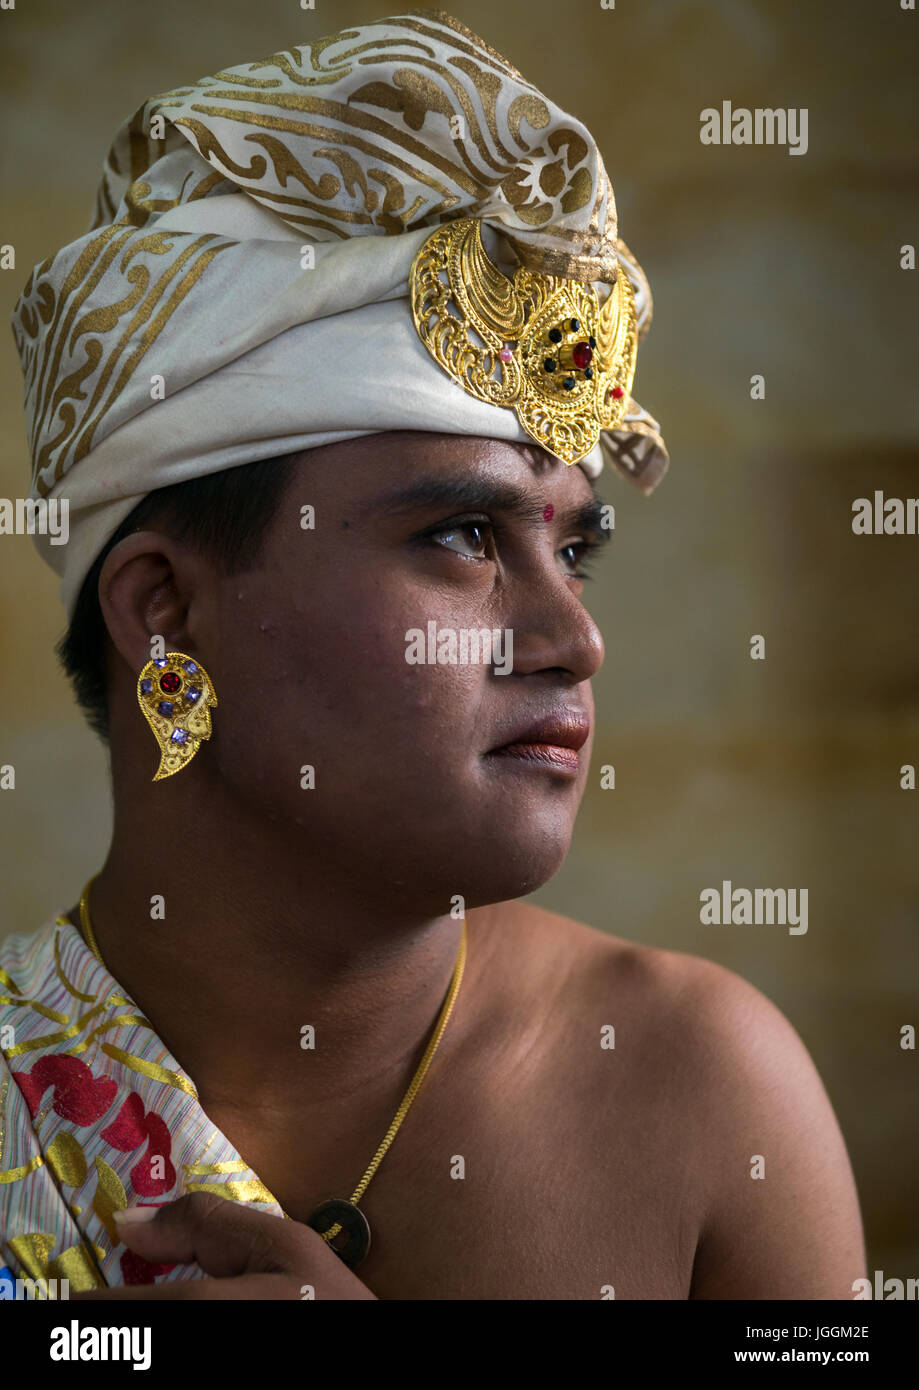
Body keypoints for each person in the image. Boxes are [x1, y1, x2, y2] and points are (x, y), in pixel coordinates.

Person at [1, 11, 864, 1300]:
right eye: (462, 535)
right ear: (166, 610)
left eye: (574, 551)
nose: (574, 638)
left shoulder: (705, 1094)